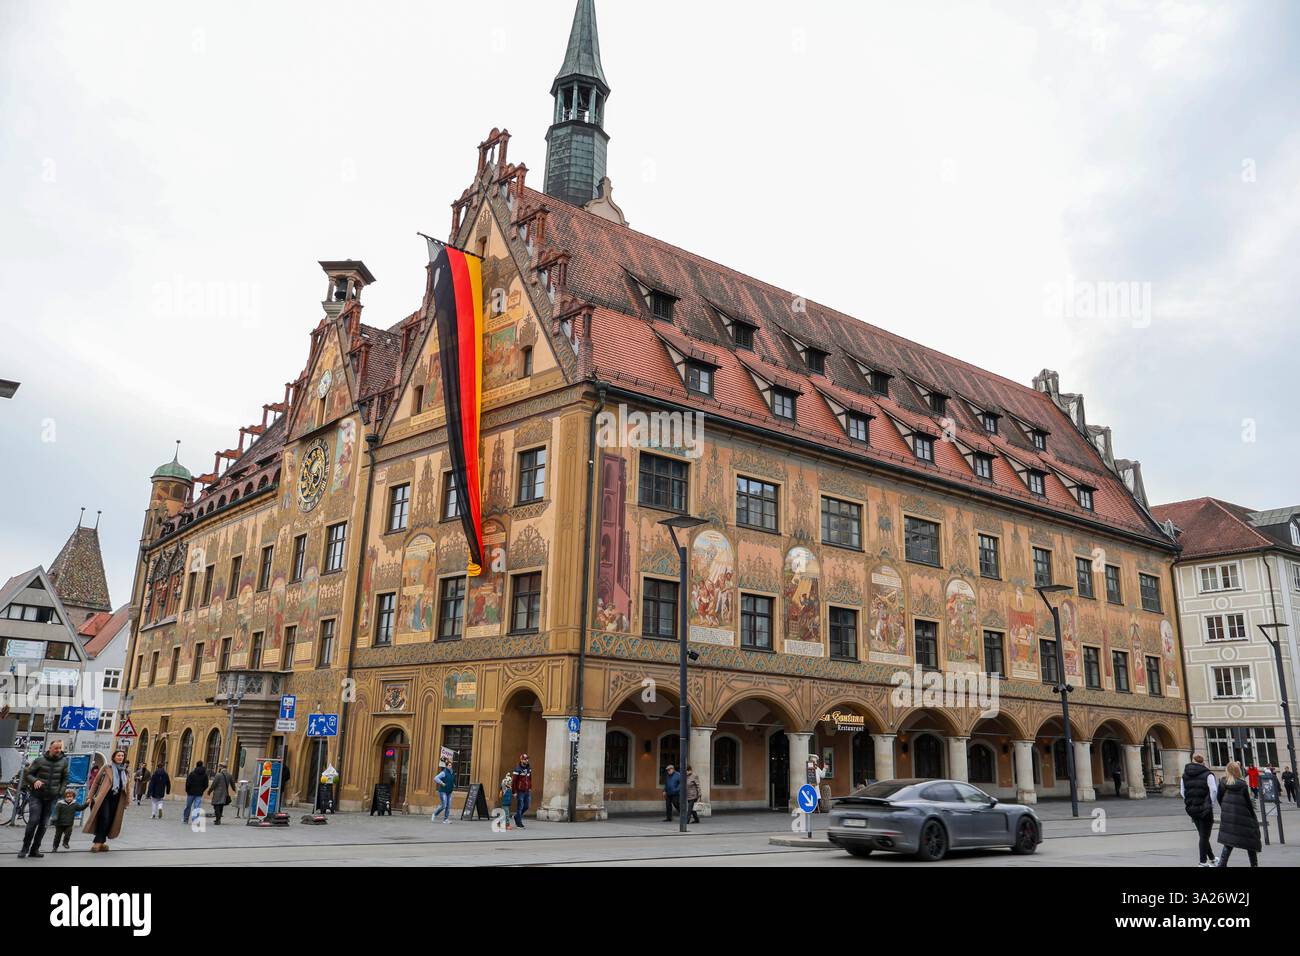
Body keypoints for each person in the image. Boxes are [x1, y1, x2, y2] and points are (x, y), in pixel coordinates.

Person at [18, 738, 68, 859]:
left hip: (52, 798)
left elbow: (65, 779)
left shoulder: (64, 762)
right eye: (56, 748)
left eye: (60, 748)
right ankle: (24, 848)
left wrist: (60, 792)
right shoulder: (39, 760)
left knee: (44, 824)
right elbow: (28, 774)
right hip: (37, 796)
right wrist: (35, 780)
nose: (58, 750)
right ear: (50, 748)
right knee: (33, 821)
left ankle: (35, 850)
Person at [1215, 760, 1262, 867]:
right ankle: (1254, 865)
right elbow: (1248, 802)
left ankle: (1222, 864)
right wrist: (1252, 815)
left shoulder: (1223, 783)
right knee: (1250, 842)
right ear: (1238, 771)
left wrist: (1226, 809)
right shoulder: (1242, 785)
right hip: (1244, 817)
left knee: (1229, 842)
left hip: (1229, 817)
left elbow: (1219, 798)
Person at [83, 749, 130, 853]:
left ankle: (102, 842)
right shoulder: (106, 768)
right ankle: (97, 843)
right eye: (118, 755)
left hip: (117, 800)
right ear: (113, 757)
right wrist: (89, 796)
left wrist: (127, 801)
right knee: (105, 817)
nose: (120, 757)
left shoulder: (125, 771)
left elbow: (127, 787)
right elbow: (96, 782)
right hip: (104, 798)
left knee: (110, 820)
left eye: (122, 756)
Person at [1180, 753, 1217, 866]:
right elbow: (1214, 790)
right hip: (1205, 808)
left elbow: (1182, 791)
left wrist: (1189, 801)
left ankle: (1212, 858)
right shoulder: (1208, 774)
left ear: (1192, 761)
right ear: (1203, 762)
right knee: (1205, 836)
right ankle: (1202, 862)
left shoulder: (1184, 775)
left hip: (1192, 808)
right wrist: (1211, 803)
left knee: (1202, 834)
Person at [50, 789, 85, 853]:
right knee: (57, 836)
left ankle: (65, 843)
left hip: (69, 824)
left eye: (70, 797)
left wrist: (86, 804)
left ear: (73, 797)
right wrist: (53, 820)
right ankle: (55, 847)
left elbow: (80, 808)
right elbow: (55, 813)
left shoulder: (74, 804)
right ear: (64, 797)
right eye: (67, 797)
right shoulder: (60, 804)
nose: (69, 798)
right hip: (59, 824)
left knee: (68, 834)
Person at [511, 753, 533, 829]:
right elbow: (514, 781)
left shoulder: (528, 768)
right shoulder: (517, 769)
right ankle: (519, 823)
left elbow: (530, 779)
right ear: (521, 760)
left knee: (527, 806)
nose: (527, 760)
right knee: (520, 807)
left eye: (527, 759)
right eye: (525, 759)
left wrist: (530, 787)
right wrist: (514, 792)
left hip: (527, 790)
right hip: (520, 791)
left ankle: (517, 816)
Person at [183, 760, 208, 824]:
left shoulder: (192, 773)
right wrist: (202, 790)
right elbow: (206, 785)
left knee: (188, 806)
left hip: (191, 792)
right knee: (197, 807)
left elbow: (188, 783)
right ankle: (195, 819)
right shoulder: (205, 775)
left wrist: (187, 790)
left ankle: (185, 819)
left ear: (196, 765)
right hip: (199, 793)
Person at [434, 758, 455, 823]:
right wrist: (441, 783)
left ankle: (446, 819)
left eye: (451, 765)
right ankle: (435, 814)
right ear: (446, 766)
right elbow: (435, 778)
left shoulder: (452, 772)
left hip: (449, 791)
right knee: (444, 805)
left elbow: (451, 780)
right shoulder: (444, 772)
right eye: (449, 765)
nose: (450, 766)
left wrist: (453, 784)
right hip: (443, 791)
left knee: (448, 806)